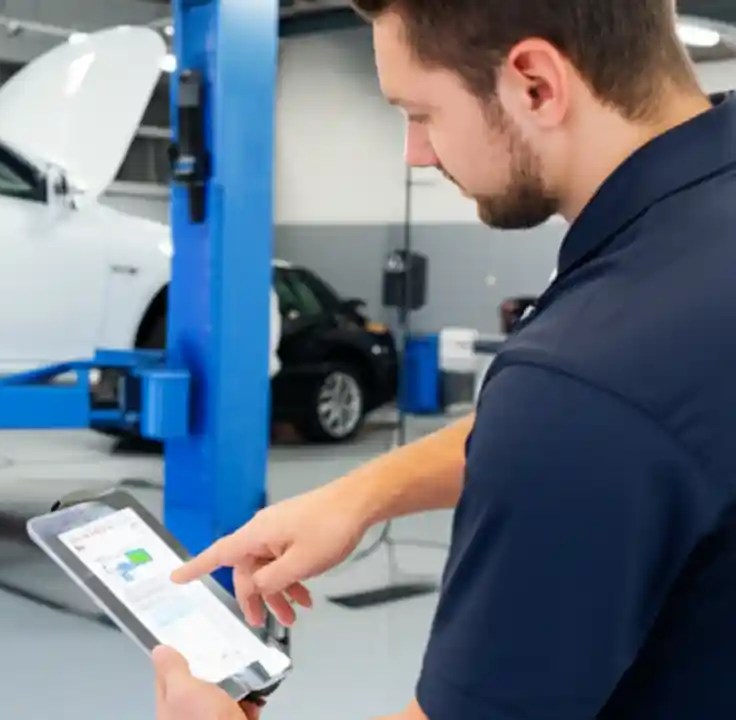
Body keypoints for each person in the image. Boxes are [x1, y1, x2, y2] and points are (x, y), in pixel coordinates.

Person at [152, 1, 736, 718]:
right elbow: (652, 421)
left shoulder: (583, 374)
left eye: (421, 113)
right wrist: (362, 494)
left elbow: (591, 412)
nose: (416, 153)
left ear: (535, 84)